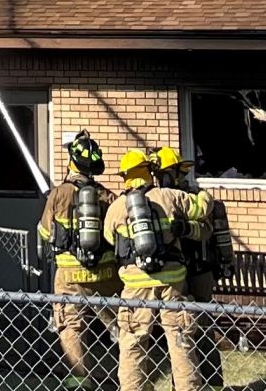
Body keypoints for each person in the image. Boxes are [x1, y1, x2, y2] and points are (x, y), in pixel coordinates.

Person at [105, 148, 213, 391]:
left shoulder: (117, 207)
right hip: (172, 280)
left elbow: (110, 239)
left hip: (136, 284)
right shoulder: (169, 196)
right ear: (149, 171)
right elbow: (202, 208)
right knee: (180, 339)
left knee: (133, 343)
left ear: (126, 176)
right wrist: (202, 192)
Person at [38, 130, 120, 390]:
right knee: (123, 326)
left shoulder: (58, 194)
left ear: (71, 161)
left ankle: (79, 382)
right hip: (105, 274)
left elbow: (44, 232)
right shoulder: (107, 196)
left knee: (71, 328)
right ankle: (134, 378)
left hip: (69, 277)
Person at [155, 146, 231, 387]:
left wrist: (186, 229)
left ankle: (213, 383)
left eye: (165, 174)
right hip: (171, 272)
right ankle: (182, 383)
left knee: (202, 328)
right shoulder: (156, 200)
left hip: (198, 270)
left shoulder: (196, 197)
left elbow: (206, 231)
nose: (161, 179)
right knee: (178, 330)